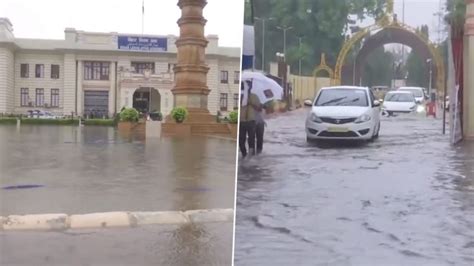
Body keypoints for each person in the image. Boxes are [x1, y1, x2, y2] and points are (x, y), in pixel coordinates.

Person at [239, 80, 261, 158]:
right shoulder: (240, 96)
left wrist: (251, 103)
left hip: (251, 121)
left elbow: (259, 109)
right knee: (241, 140)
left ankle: (251, 156)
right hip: (241, 121)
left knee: (251, 139)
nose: (246, 87)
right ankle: (244, 154)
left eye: (248, 86)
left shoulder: (254, 96)